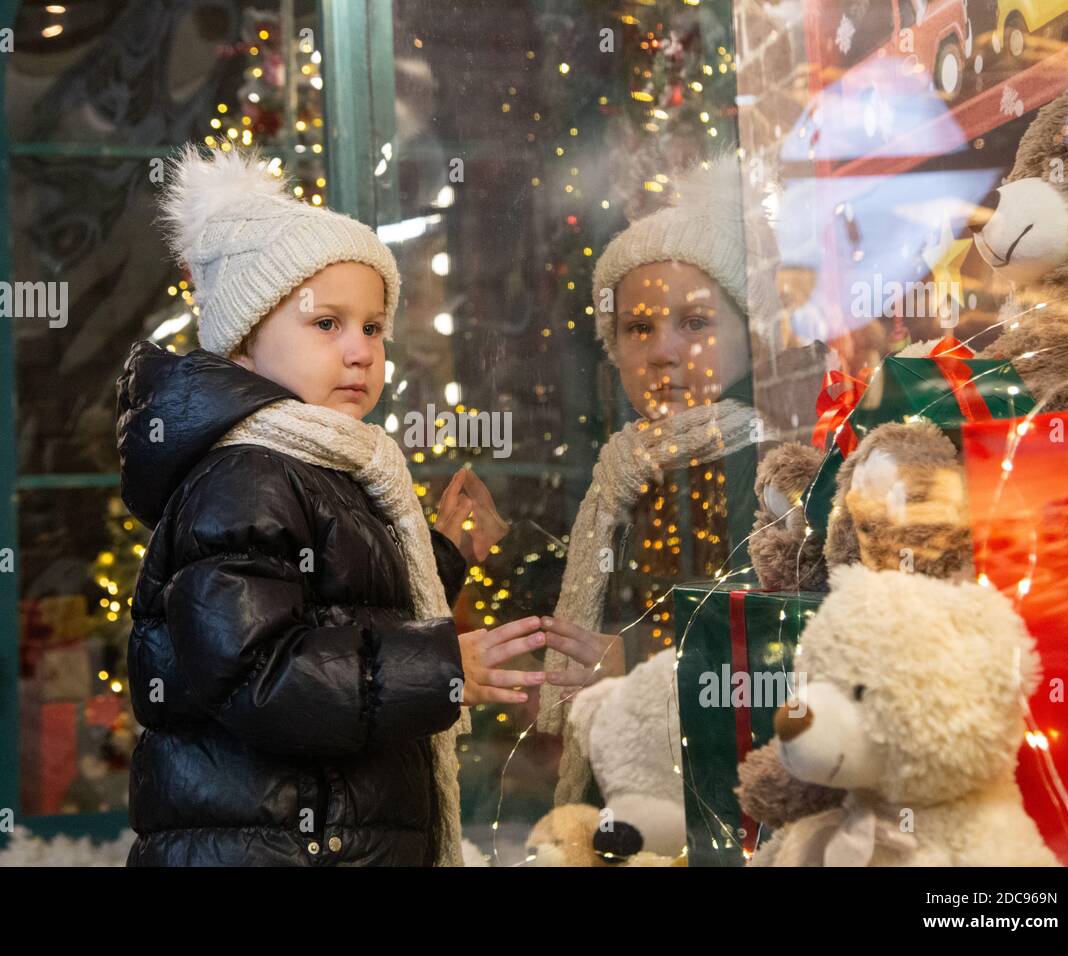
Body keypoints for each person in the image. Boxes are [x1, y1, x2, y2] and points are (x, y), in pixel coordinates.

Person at [116, 145, 548, 865]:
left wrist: (435, 555)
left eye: (373, 327)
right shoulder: (246, 474)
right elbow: (259, 675)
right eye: (327, 324)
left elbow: (335, 609)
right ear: (246, 341)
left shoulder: (320, 463)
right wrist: (438, 669)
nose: (360, 351)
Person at [536, 154, 774, 804]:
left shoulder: (762, 462)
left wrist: (632, 657)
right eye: (638, 328)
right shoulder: (626, 466)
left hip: (723, 790)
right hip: (627, 775)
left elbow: (776, 631)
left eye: (695, 323)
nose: (665, 350)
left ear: (748, 332)